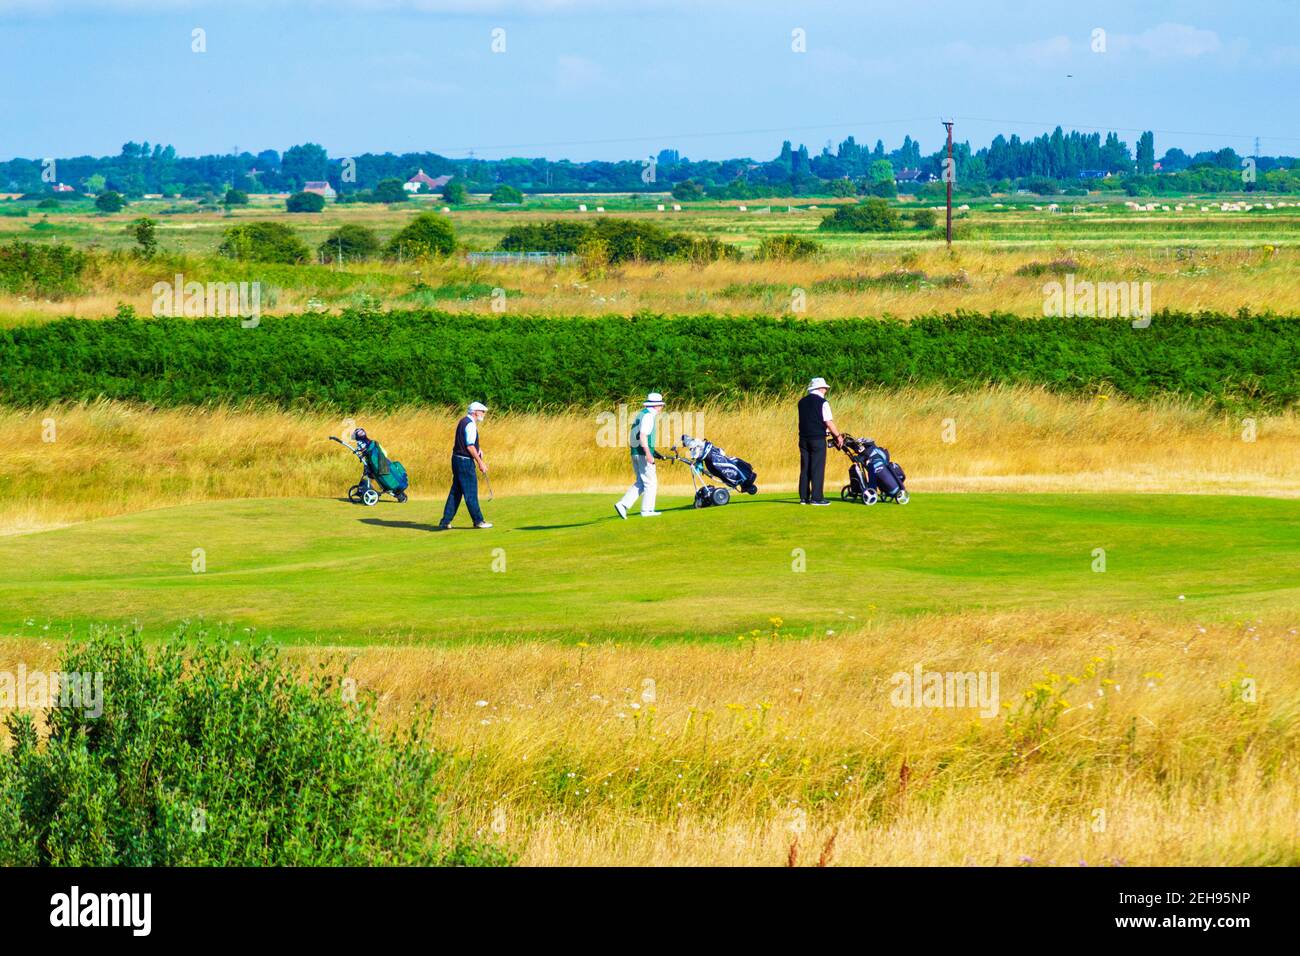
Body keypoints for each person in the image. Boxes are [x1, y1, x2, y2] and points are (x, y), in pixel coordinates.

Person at [438, 401, 493, 529]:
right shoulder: (470, 425)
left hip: (457, 459)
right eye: (482, 411)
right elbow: (469, 446)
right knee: (470, 492)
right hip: (464, 462)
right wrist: (480, 462)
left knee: (456, 492)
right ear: (475, 412)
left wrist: (478, 449)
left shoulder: (464, 421)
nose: (484, 414)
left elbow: (467, 443)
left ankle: (445, 522)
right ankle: (478, 521)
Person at [615, 392, 666, 519]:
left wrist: (654, 453)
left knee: (641, 482)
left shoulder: (641, 414)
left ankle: (623, 505)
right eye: (660, 405)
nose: (662, 408)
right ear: (655, 406)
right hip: (643, 453)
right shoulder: (648, 416)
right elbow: (643, 436)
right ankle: (647, 510)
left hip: (635, 452)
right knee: (651, 482)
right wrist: (649, 454)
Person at [797, 377, 843, 506]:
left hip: (803, 439)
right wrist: (838, 436)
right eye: (825, 388)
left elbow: (809, 420)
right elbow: (828, 422)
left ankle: (804, 497)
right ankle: (816, 498)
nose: (826, 390)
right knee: (817, 468)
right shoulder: (823, 402)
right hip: (817, 439)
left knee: (805, 468)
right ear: (820, 388)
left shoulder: (801, 402)